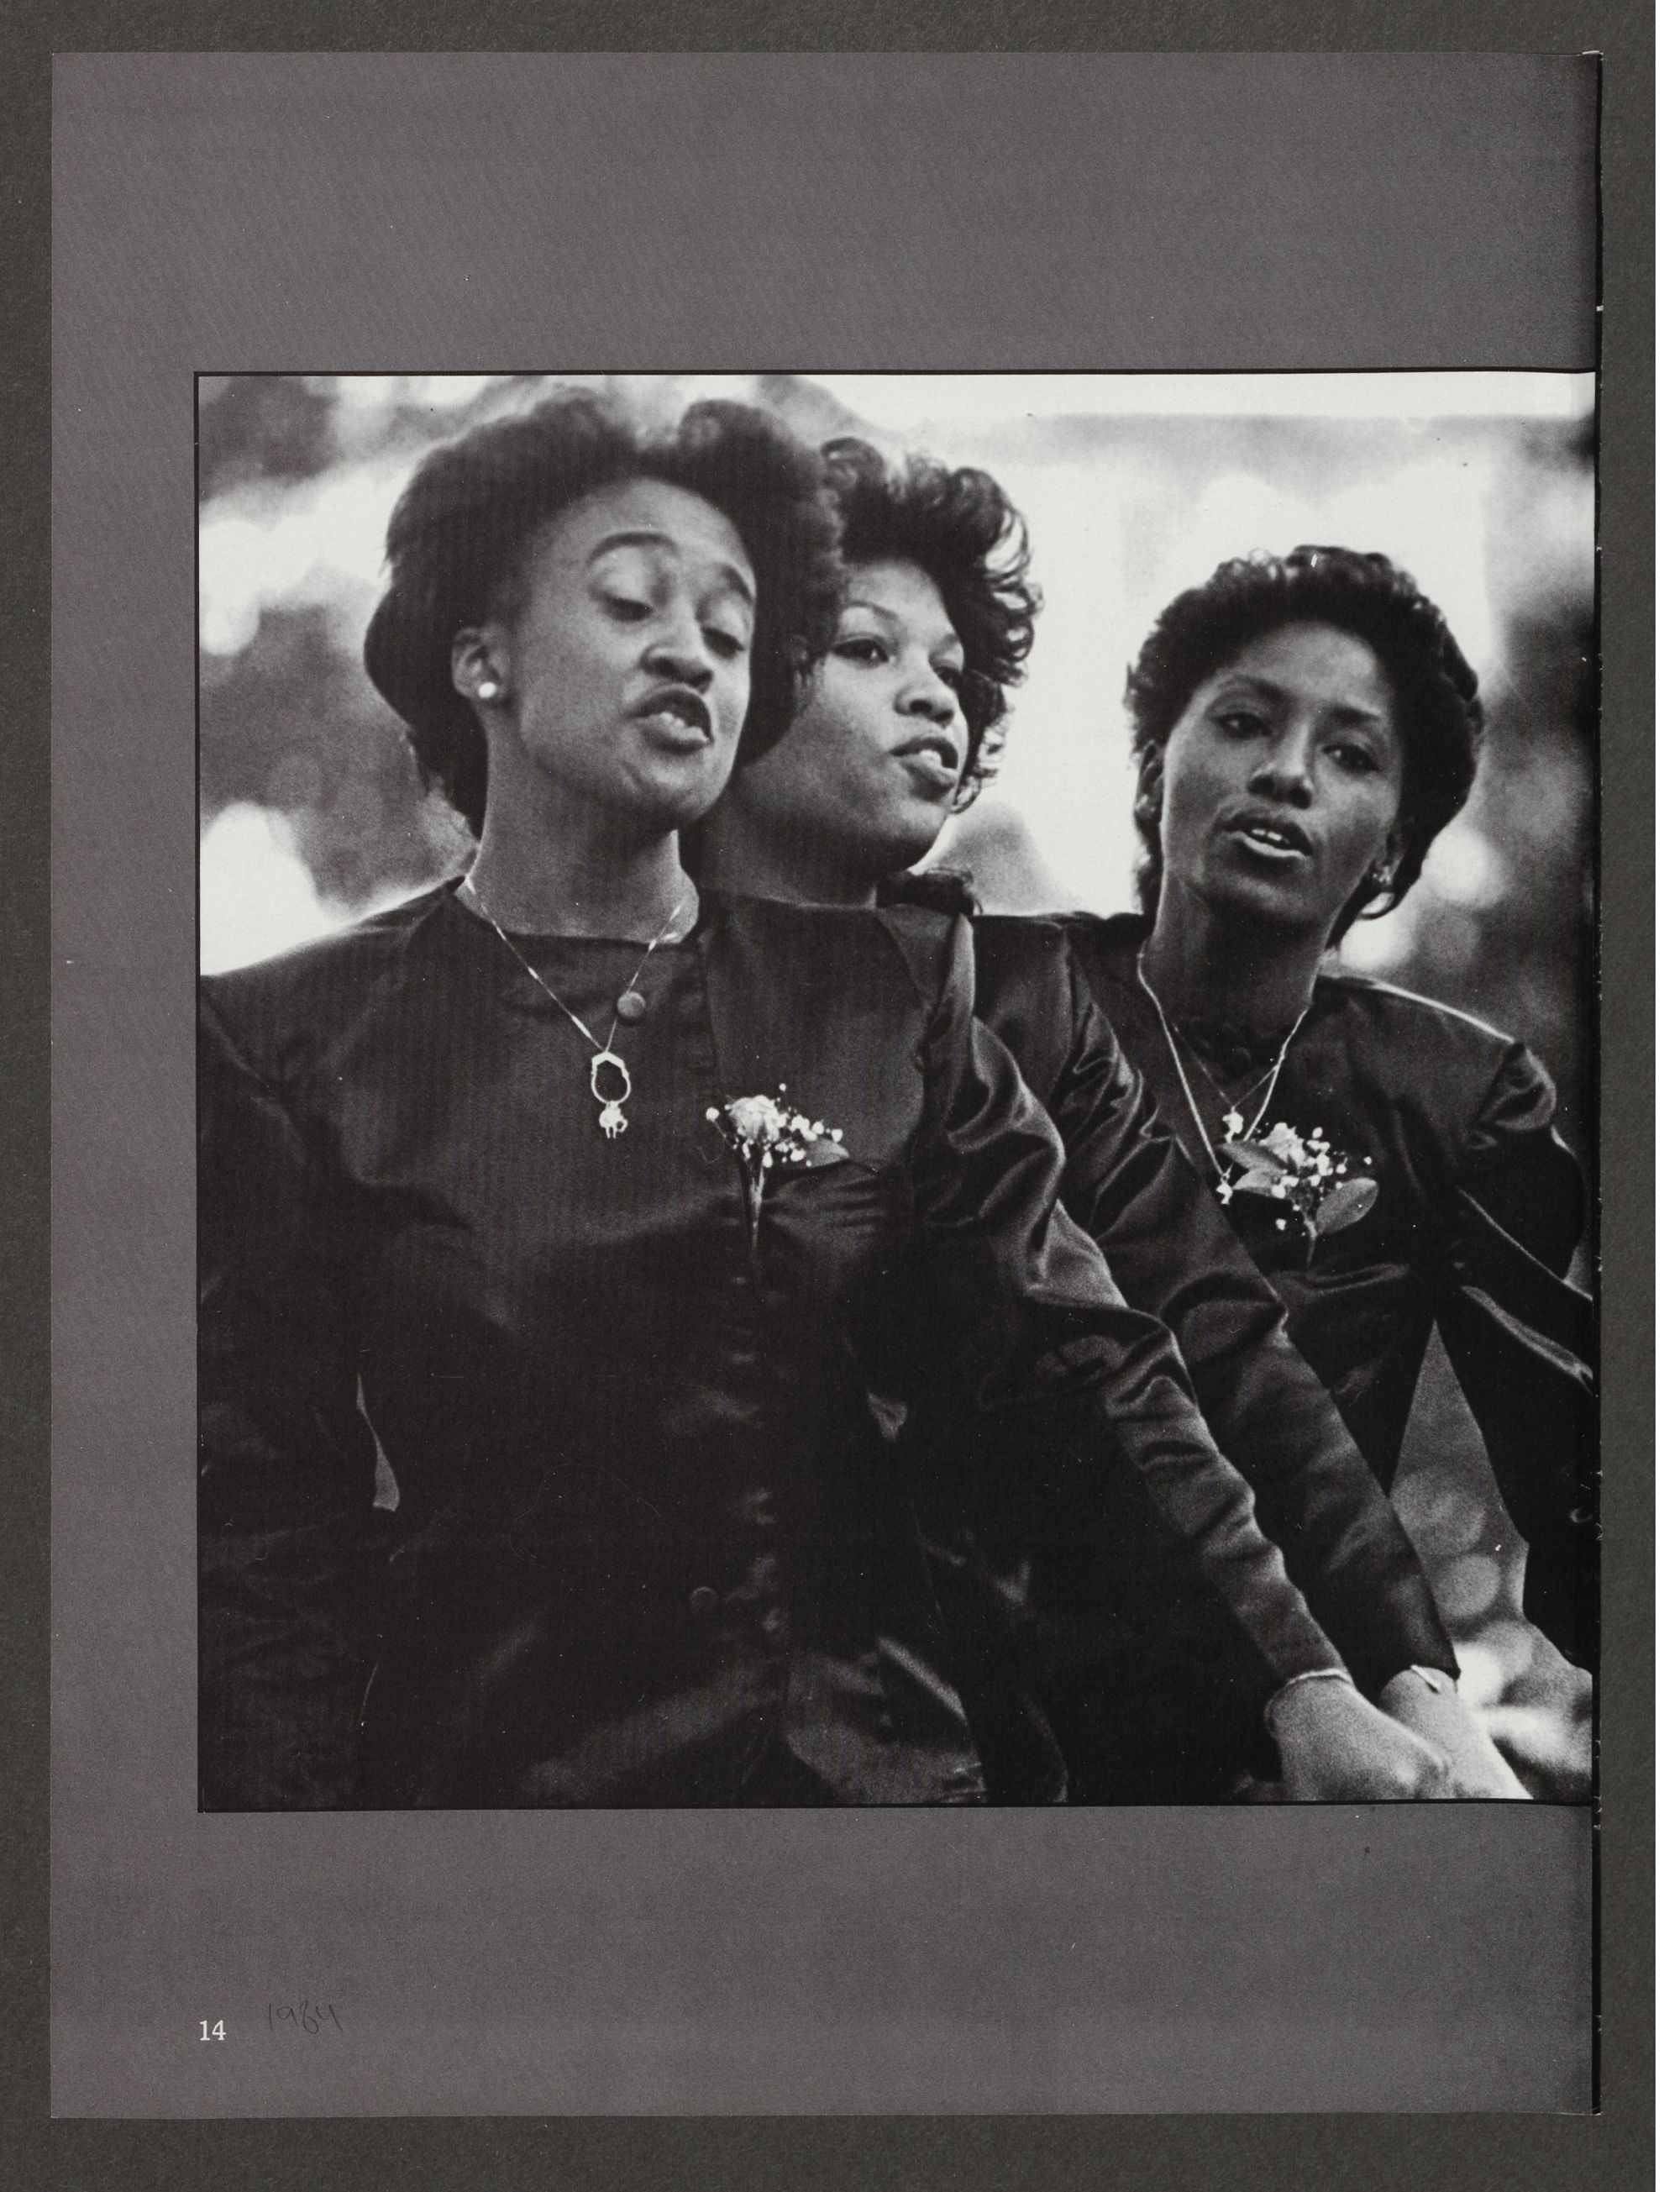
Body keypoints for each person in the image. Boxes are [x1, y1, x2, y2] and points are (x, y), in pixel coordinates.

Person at [198, 392, 1445, 1811]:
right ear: (480, 654)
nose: (693, 650)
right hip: (505, 1834)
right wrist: (295, 1870)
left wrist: (1304, 1682)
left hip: (880, 1818)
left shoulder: (887, 997)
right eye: (632, 601)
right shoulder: (288, 1039)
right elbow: (259, 1538)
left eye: (733, 632)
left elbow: (1091, 1362)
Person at [687, 438, 1525, 1800]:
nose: (934, 697)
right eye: (867, 648)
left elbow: (1186, 1344)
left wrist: (1377, 1678)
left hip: (952, 1762)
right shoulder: (540, 1000)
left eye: (955, 671)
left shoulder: (988, 1001)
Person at [1061, 545, 1595, 1775]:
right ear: (1154, 768)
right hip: (982, 1724)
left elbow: (1575, 1453)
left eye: (1351, 754)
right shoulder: (1000, 999)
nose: (1287, 772)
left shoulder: (1453, 1095)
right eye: (1244, 722)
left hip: (1310, 1744)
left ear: (1395, 849)